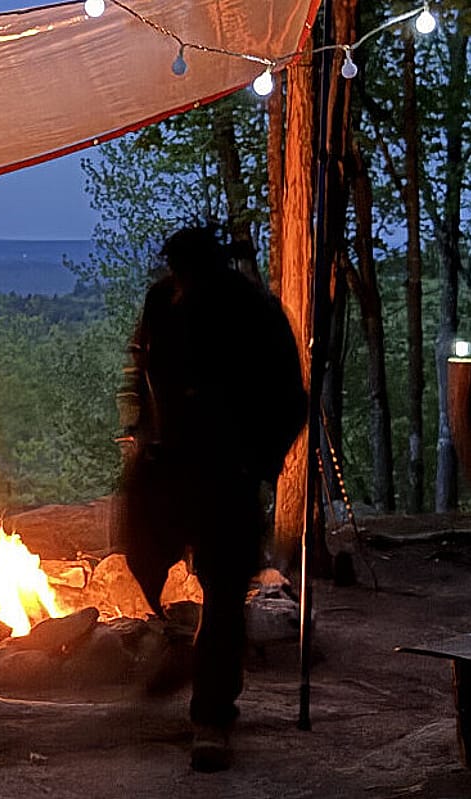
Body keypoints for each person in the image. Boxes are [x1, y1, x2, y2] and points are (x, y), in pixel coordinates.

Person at [115, 226, 306, 772]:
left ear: (206, 267)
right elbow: (140, 369)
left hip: (226, 471)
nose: (177, 278)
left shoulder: (253, 311)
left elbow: (291, 399)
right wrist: (139, 429)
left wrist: (260, 462)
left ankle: (212, 715)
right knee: (141, 553)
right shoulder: (161, 302)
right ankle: (177, 637)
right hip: (166, 465)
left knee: (223, 594)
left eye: (184, 269)